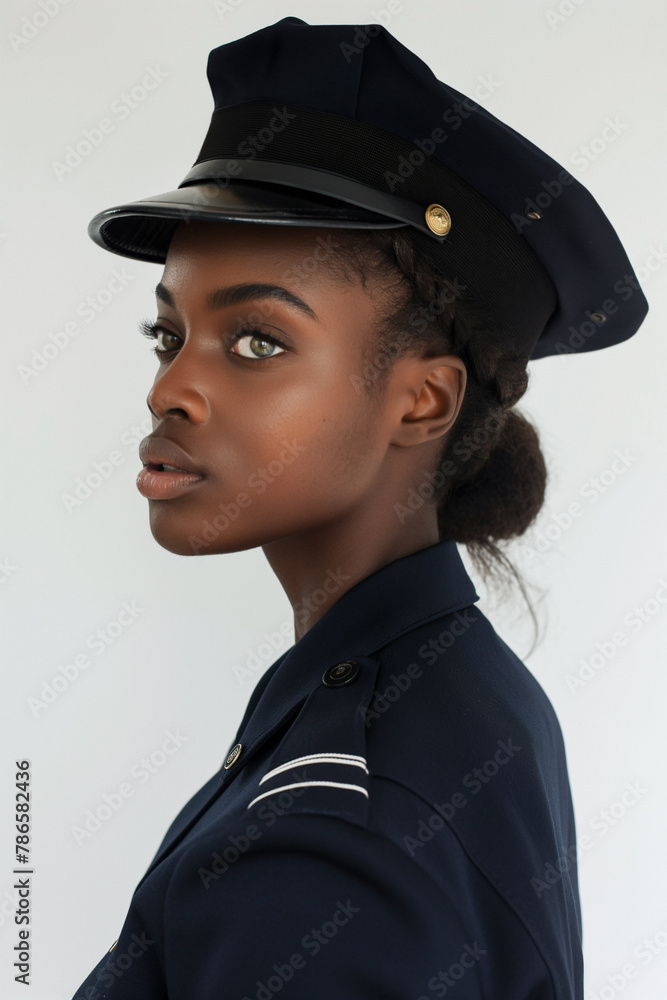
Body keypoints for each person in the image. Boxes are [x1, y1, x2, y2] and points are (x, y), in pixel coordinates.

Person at [71, 16, 647, 1000]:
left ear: (421, 400)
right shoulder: (457, 681)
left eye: (255, 340)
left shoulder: (326, 844)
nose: (171, 390)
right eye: (169, 335)